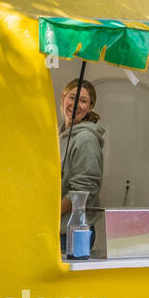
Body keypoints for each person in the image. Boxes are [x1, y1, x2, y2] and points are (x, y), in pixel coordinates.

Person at [59, 78, 105, 253]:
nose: (75, 104)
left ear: (90, 107)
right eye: (72, 97)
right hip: (59, 230)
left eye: (83, 101)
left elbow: (83, 190)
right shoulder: (62, 134)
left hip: (72, 233)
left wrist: (51, 215)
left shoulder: (85, 138)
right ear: (63, 98)